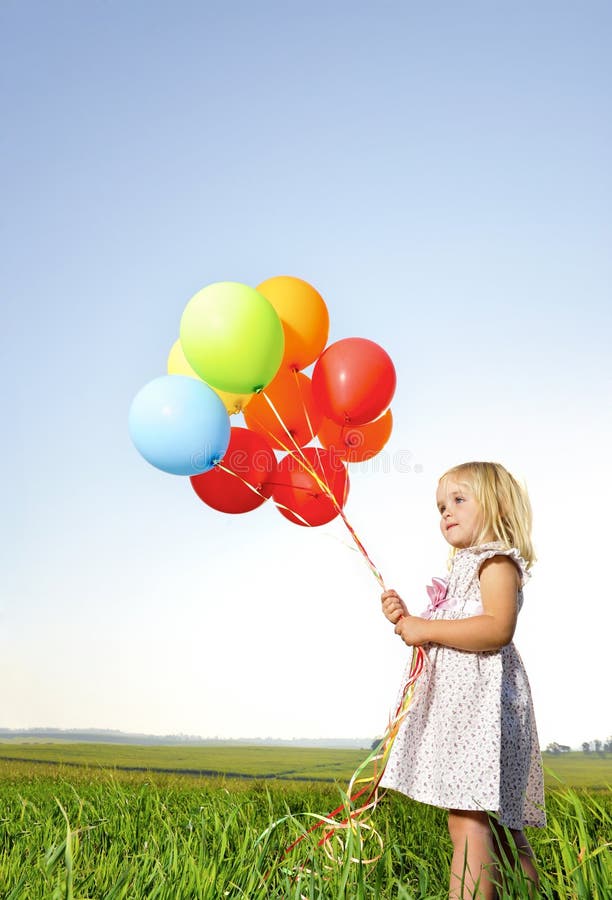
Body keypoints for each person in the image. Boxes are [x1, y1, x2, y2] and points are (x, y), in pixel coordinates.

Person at [380, 461, 545, 899]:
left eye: (458, 500)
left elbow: (495, 628)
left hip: (484, 714)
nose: (445, 513)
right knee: (499, 824)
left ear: (496, 506)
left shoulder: (494, 562)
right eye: (440, 506)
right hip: (473, 712)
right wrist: (410, 621)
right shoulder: (466, 569)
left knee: (468, 819)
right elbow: (450, 632)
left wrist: (427, 628)